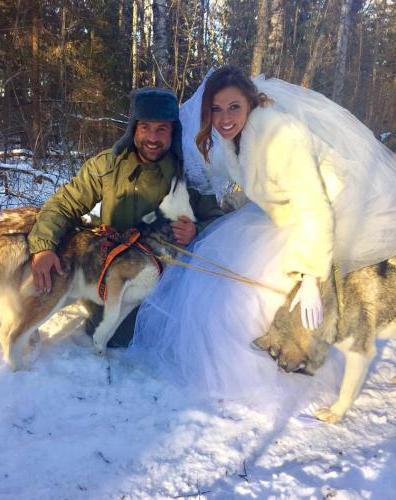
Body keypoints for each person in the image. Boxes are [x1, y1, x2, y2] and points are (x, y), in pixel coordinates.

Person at [130, 66, 396, 400]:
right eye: (216, 109)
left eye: (234, 107)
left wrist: (312, 276)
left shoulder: (281, 136)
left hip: (327, 213)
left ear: (251, 103)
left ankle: (285, 369)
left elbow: (313, 206)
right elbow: (259, 180)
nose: (224, 118)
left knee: (261, 289)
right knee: (221, 277)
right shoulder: (235, 137)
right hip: (287, 212)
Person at [28, 87, 223, 346]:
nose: (152, 137)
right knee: (117, 336)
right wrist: (43, 246)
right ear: (134, 128)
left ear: (173, 132)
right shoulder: (108, 165)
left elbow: (219, 222)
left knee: (164, 334)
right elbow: (64, 204)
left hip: (163, 278)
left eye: (161, 129)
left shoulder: (188, 173)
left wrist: (196, 230)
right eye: (145, 127)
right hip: (108, 269)